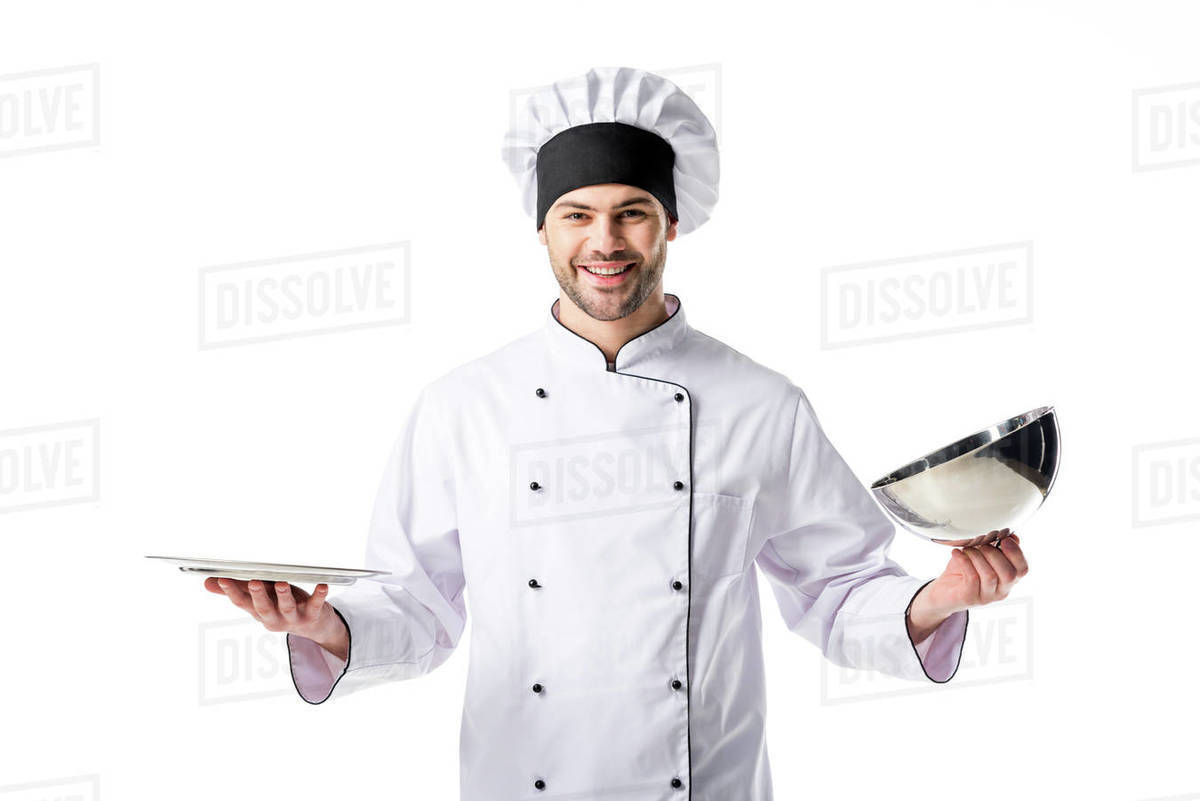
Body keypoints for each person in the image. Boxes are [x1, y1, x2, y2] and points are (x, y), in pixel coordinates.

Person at [205, 66, 1029, 800]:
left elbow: (841, 586)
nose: (604, 242)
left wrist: (944, 596)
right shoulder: (463, 407)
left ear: (671, 224)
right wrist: (325, 625)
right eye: (577, 215)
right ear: (543, 228)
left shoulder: (759, 404)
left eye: (632, 213)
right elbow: (414, 602)